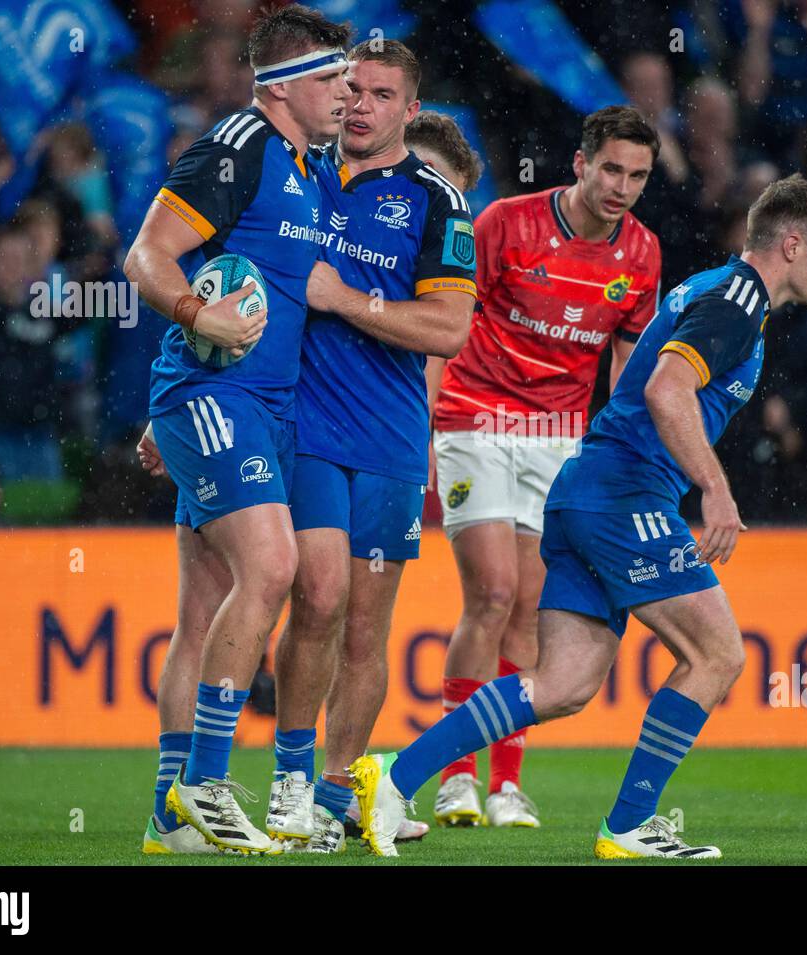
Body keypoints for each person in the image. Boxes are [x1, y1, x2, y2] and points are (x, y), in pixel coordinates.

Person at [349, 173, 807, 858]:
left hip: (585, 490)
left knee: (562, 686)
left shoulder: (719, 293)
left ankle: (392, 778)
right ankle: (630, 823)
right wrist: (716, 489)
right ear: (793, 243)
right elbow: (668, 389)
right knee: (717, 653)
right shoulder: (735, 301)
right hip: (624, 496)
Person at [125, 4, 352, 855]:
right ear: (284, 86)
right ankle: (207, 785)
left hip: (258, 409)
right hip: (220, 400)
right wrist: (193, 316)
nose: (344, 94)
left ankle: (166, 816)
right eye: (330, 79)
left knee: (198, 614)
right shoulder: (240, 146)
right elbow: (146, 253)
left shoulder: (303, 165)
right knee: (275, 565)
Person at [268, 39, 478, 854]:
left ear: (410, 110)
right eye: (350, 89)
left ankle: (332, 792)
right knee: (317, 596)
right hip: (306, 426)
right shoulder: (296, 171)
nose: (360, 105)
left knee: (364, 629)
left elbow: (450, 328)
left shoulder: (434, 200)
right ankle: (289, 779)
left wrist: (344, 298)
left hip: (390, 442)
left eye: (382, 95)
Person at [426, 106, 662, 828]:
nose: (622, 186)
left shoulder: (642, 254)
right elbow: (446, 322)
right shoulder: (504, 222)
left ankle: (506, 785)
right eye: (612, 168)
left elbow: (627, 365)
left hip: (560, 436)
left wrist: (621, 459)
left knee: (529, 608)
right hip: (474, 417)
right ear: (581, 163)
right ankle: (454, 776)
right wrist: (420, 431)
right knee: (492, 595)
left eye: (638, 175)